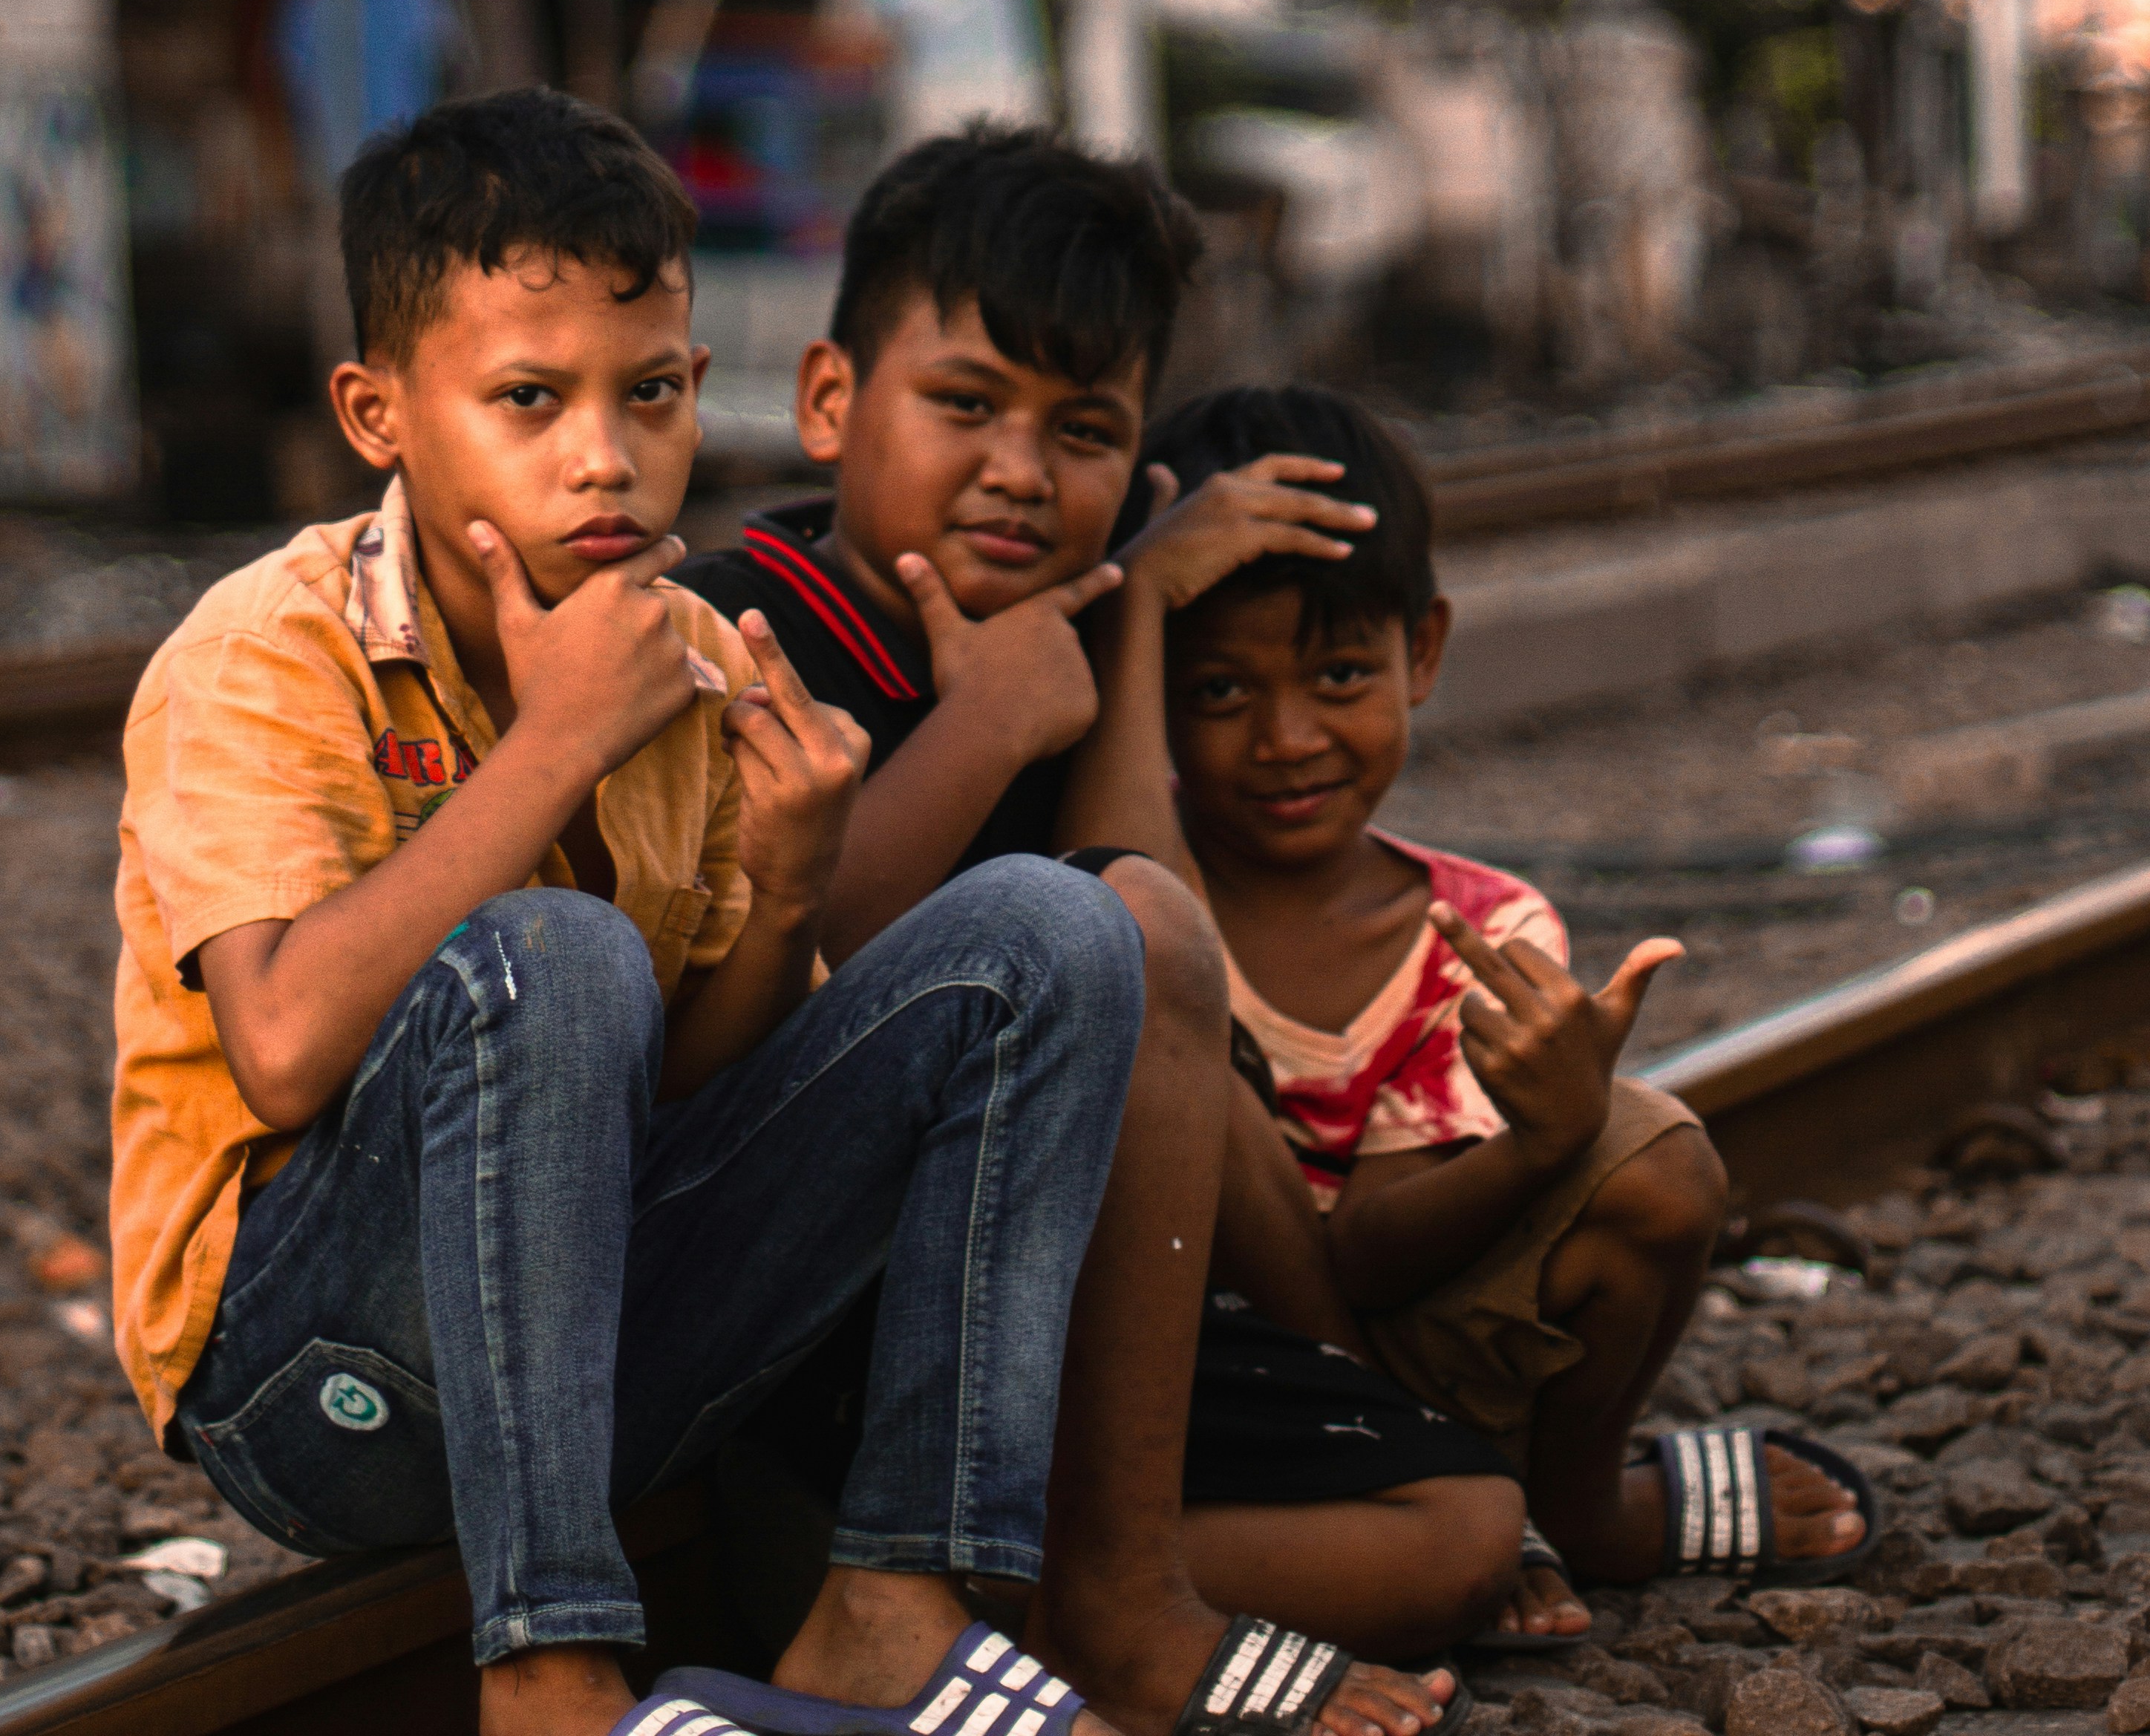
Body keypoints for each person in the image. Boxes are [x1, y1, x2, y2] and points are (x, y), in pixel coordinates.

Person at [110, 90, 1462, 1736]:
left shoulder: (688, 664)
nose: (604, 453)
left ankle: (892, 1606)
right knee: (554, 953)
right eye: (528, 399)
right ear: (379, 413)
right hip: (315, 1376)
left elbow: (687, 1097)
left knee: (1054, 931)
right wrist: (552, 748)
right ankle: (547, 1676)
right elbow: (284, 1046)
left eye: (653, 391)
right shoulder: (272, 650)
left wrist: (791, 891)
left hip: (599, 1348)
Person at [682, 128, 1523, 1670]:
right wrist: (985, 726)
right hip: (813, 1332)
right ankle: (1087, 1602)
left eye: (1080, 431)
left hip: (1053, 1314)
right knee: (1114, 925)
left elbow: (1168, 981)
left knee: (1463, 1534)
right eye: (963, 406)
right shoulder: (736, 630)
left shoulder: (1059, 638)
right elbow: (768, 992)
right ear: (828, 402)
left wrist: (1127, 619)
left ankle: (1036, 1593)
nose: (1017, 472)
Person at [1059, 379, 1876, 1642]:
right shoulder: (1152, 887)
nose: (1287, 737)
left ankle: (1575, 1502)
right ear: (1155, 689)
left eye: (1339, 674)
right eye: (1219, 692)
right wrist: (1141, 606)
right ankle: (1462, 1509)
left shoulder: (1478, 933)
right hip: (1196, 1373)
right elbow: (1119, 893)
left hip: (1407, 1347)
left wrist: (1549, 1141)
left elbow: (1373, 1250)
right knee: (1171, 1006)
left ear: (1423, 653)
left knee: (1657, 1159)